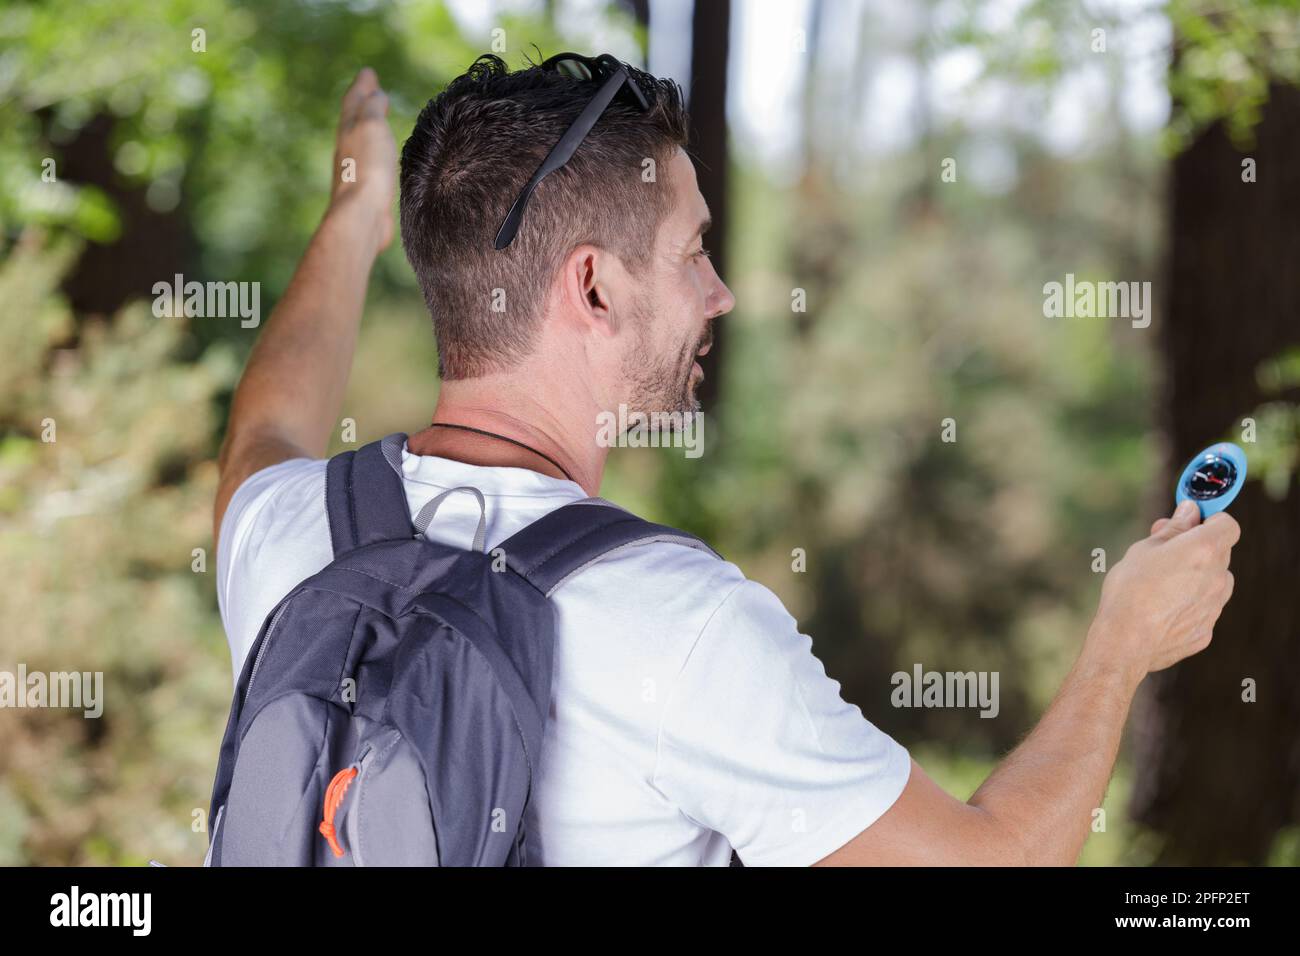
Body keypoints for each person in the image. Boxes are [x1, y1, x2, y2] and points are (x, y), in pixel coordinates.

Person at [213, 58, 1240, 866]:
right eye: (691, 249)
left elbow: (267, 424)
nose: (721, 293)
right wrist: (1122, 647)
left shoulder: (288, 533)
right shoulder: (684, 625)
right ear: (596, 289)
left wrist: (352, 220)